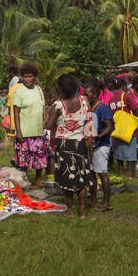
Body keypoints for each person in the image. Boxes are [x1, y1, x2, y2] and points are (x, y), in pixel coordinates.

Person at [46, 73, 92, 218]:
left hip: (64, 145)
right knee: (81, 178)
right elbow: (89, 122)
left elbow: (48, 125)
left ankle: (70, 210)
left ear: (60, 88)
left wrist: (48, 112)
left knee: (66, 178)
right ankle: (83, 212)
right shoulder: (84, 100)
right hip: (80, 143)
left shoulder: (58, 105)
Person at [11, 62, 48, 186]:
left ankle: (38, 180)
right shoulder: (19, 91)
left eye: (30, 76)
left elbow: (43, 108)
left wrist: (45, 123)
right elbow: (15, 113)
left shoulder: (38, 89)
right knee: (23, 159)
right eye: (25, 77)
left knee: (40, 157)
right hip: (24, 131)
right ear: (22, 77)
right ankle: (24, 181)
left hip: (37, 130)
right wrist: (19, 131)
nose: (28, 79)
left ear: (34, 77)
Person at [85, 80, 114, 211]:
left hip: (102, 144)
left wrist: (99, 136)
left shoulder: (103, 108)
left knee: (102, 173)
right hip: (90, 145)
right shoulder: (88, 108)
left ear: (96, 94)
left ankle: (106, 203)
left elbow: (110, 126)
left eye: (88, 94)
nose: (86, 96)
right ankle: (94, 198)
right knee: (91, 173)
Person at [109, 76, 138, 179]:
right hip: (128, 129)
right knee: (131, 151)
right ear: (124, 86)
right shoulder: (126, 96)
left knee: (119, 152)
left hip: (117, 129)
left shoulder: (111, 98)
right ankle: (131, 175)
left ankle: (121, 172)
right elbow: (136, 110)